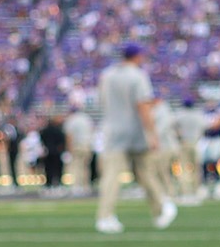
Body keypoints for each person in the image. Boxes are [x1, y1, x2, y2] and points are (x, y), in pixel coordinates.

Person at [94, 42, 177, 234]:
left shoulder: (107, 76)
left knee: (112, 176)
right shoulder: (138, 76)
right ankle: (161, 208)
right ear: (138, 57)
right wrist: (152, 134)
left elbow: (102, 102)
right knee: (145, 172)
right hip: (135, 131)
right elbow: (143, 107)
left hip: (113, 130)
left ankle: (105, 216)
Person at [64, 94, 96, 196]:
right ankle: (85, 186)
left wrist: (69, 149)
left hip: (77, 145)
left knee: (76, 166)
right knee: (85, 167)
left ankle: (77, 187)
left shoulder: (71, 120)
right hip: (87, 145)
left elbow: (69, 136)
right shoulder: (87, 118)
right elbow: (92, 131)